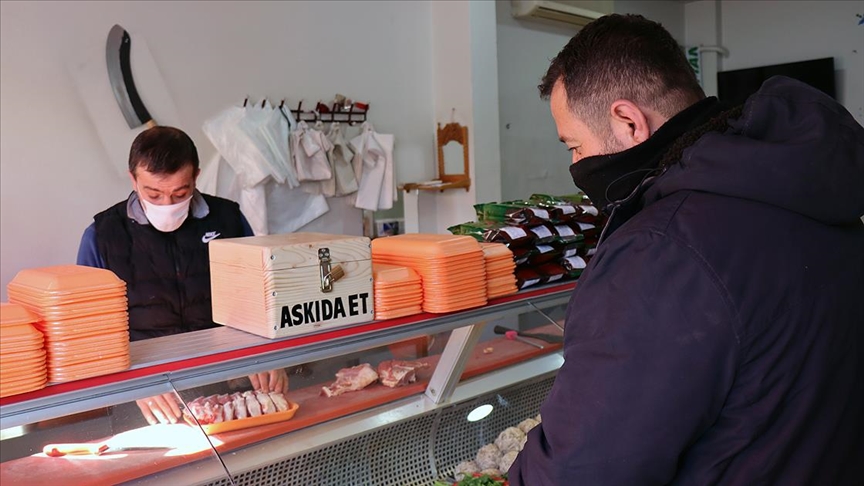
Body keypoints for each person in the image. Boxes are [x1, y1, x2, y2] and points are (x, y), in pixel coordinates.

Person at [510, 14, 863, 485]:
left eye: (573, 146)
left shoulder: (661, 251)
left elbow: (583, 470)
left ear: (628, 122)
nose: (575, 164)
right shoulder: (818, 191)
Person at [78, 126, 288, 425]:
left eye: (180, 193)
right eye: (154, 194)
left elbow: (260, 295)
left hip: (230, 379)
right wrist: (133, 382)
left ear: (196, 177)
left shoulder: (227, 219)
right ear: (133, 179)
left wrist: (267, 354)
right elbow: (88, 329)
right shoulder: (103, 235)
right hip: (146, 397)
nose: (167, 204)